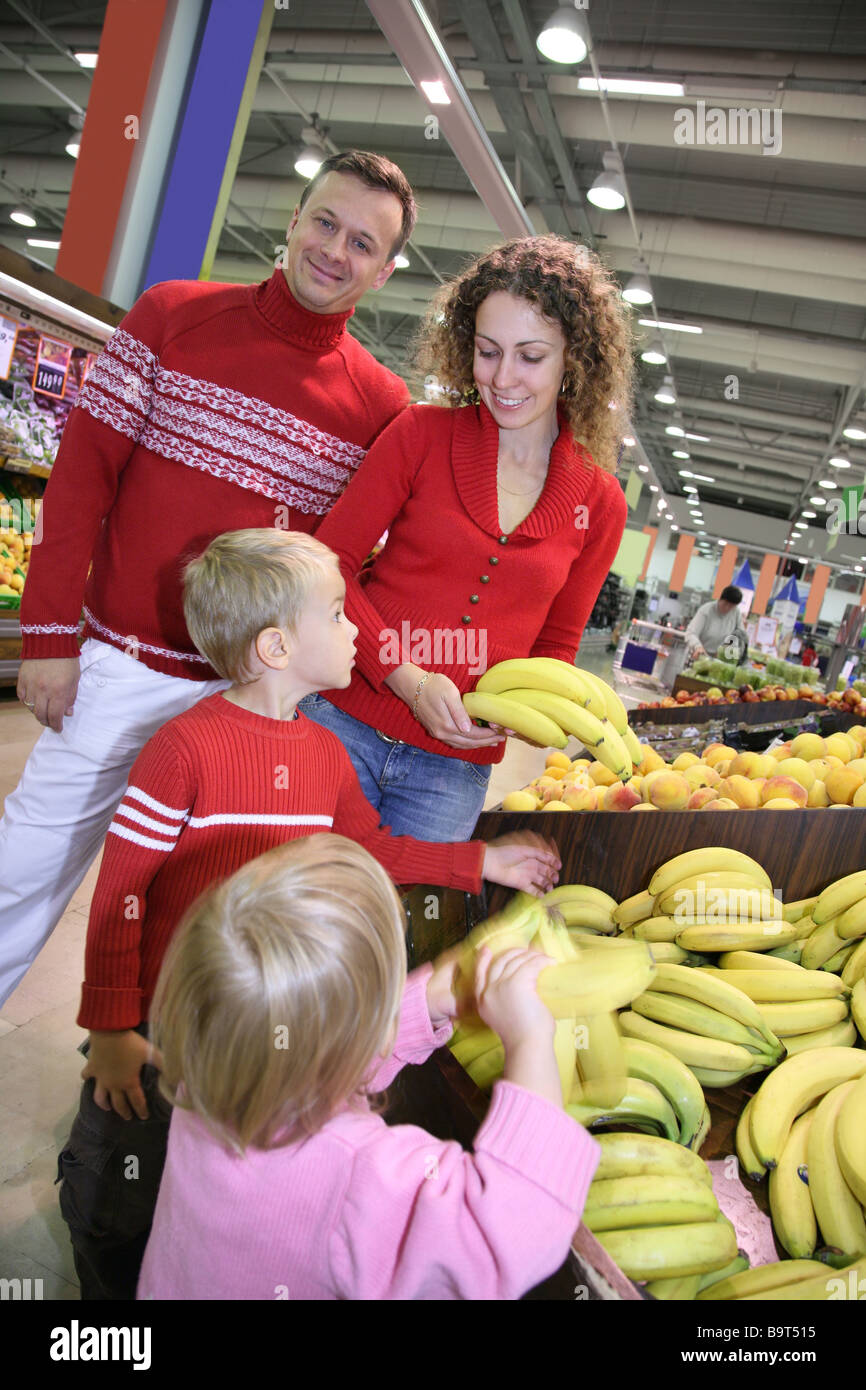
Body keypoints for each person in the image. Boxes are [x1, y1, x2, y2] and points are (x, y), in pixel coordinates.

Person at [57, 529, 560, 1301]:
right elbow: (121, 893)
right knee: (116, 1187)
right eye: (337, 612)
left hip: (269, 1021)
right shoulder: (182, 750)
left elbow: (374, 847)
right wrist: (113, 1027)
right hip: (169, 1023)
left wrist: (478, 863)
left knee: (205, 1190)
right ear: (275, 646)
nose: (358, 626)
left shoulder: (323, 755)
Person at [0, 149, 417, 1007]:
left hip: (243, 704)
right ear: (295, 219)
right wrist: (48, 637)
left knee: (196, 917)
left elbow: (354, 566)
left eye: (364, 244)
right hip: (116, 668)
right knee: (23, 872)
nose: (337, 250)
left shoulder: (383, 407)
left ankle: (134, 1099)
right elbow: (80, 480)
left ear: (384, 270)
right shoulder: (172, 316)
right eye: (327, 222)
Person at [136, 833, 600, 1300]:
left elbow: (302, 1050)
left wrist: (423, 1005)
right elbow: (510, 1233)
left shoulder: (212, 1070)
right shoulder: (358, 1178)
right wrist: (529, 1040)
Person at [304, 235, 632, 840]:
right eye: (488, 351)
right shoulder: (419, 434)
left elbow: (555, 648)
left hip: (453, 769)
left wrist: (521, 720)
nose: (503, 377)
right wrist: (407, 677)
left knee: (403, 930)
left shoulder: (601, 503)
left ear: (574, 361)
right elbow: (329, 563)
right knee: (289, 914)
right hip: (336, 721)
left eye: (531, 357)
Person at [684, 585, 748, 662]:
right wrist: (698, 647)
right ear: (720, 599)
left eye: (731, 606)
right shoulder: (706, 610)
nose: (727, 608)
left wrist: (726, 648)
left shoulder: (736, 613)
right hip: (699, 654)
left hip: (720, 658)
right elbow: (691, 633)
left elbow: (741, 634)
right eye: (725, 604)